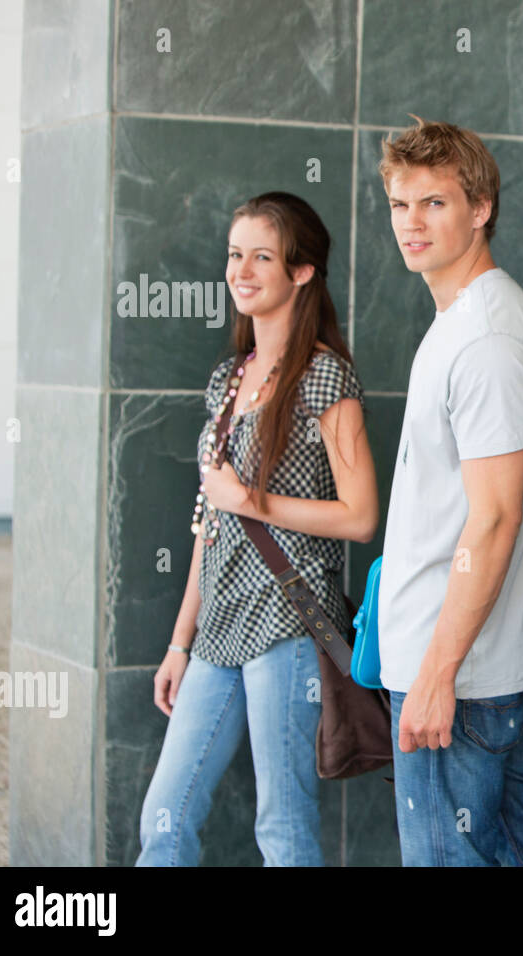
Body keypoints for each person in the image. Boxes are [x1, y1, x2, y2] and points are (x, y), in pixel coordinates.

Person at [374, 118, 523, 866]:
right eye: (400, 205)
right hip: (492, 669)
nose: (412, 223)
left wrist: (437, 673)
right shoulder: (466, 322)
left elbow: (495, 519)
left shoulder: (488, 340)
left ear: (482, 206)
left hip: (464, 678)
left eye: (433, 203)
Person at [138, 192, 380, 866]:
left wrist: (251, 498)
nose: (242, 269)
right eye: (234, 254)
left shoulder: (326, 377)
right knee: (165, 818)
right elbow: (208, 525)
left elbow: (360, 518)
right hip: (217, 628)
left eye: (262, 256)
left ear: (301, 272)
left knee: (283, 831)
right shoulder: (228, 380)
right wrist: (179, 642)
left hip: (288, 628)